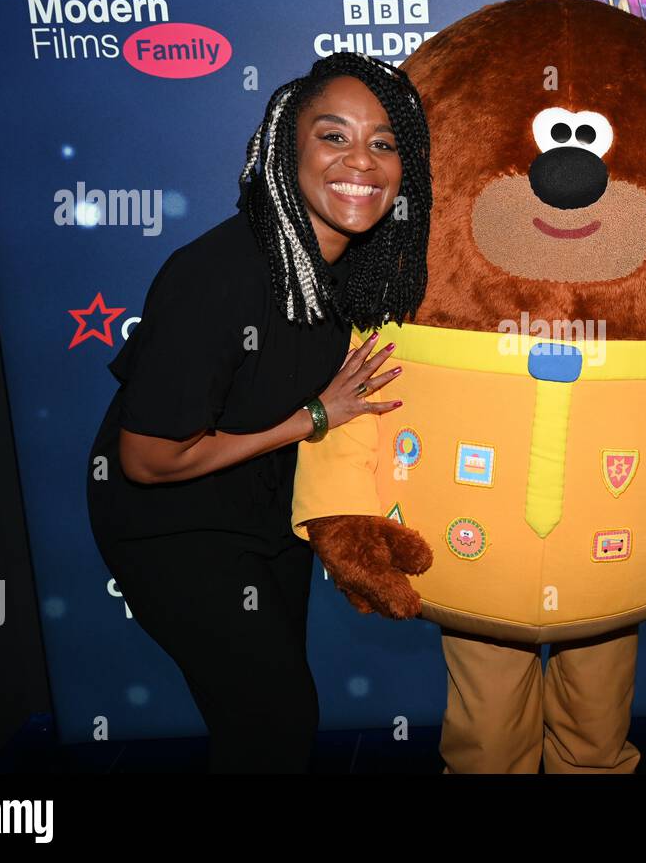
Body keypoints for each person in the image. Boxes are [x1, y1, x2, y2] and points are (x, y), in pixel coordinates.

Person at [86, 52, 431, 773]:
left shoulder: (351, 267)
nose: (360, 162)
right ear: (285, 147)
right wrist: (311, 416)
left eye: (384, 143)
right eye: (333, 137)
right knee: (275, 720)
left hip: (265, 515)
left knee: (262, 722)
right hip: (174, 528)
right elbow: (148, 460)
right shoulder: (217, 275)